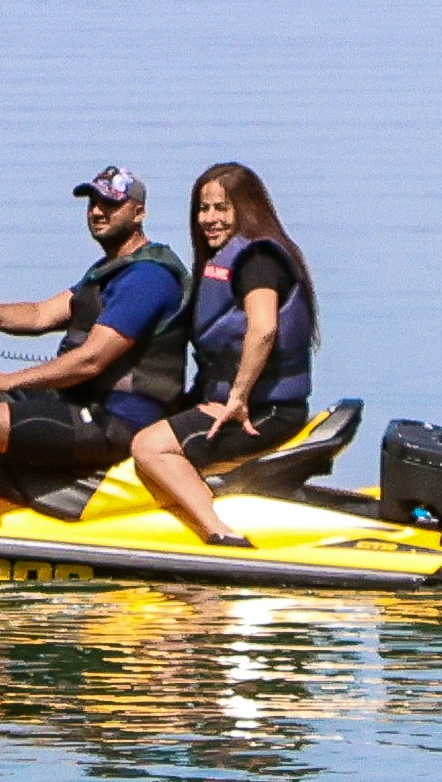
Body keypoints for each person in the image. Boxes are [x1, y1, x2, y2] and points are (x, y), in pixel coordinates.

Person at [0, 166, 189, 524]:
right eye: (92, 203)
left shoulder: (149, 278)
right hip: (80, 404)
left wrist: (4, 380)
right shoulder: (111, 271)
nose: (96, 211)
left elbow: (89, 361)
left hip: (118, 421)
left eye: (110, 203)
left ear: (138, 213)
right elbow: (38, 315)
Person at [125, 162, 314, 548]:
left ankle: (220, 533)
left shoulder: (258, 260)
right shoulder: (221, 263)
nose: (209, 219)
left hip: (263, 411)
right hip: (234, 403)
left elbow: (263, 329)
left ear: (247, 209)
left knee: (149, 445)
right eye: (203, 208)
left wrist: (238, 398)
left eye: (221, 209)